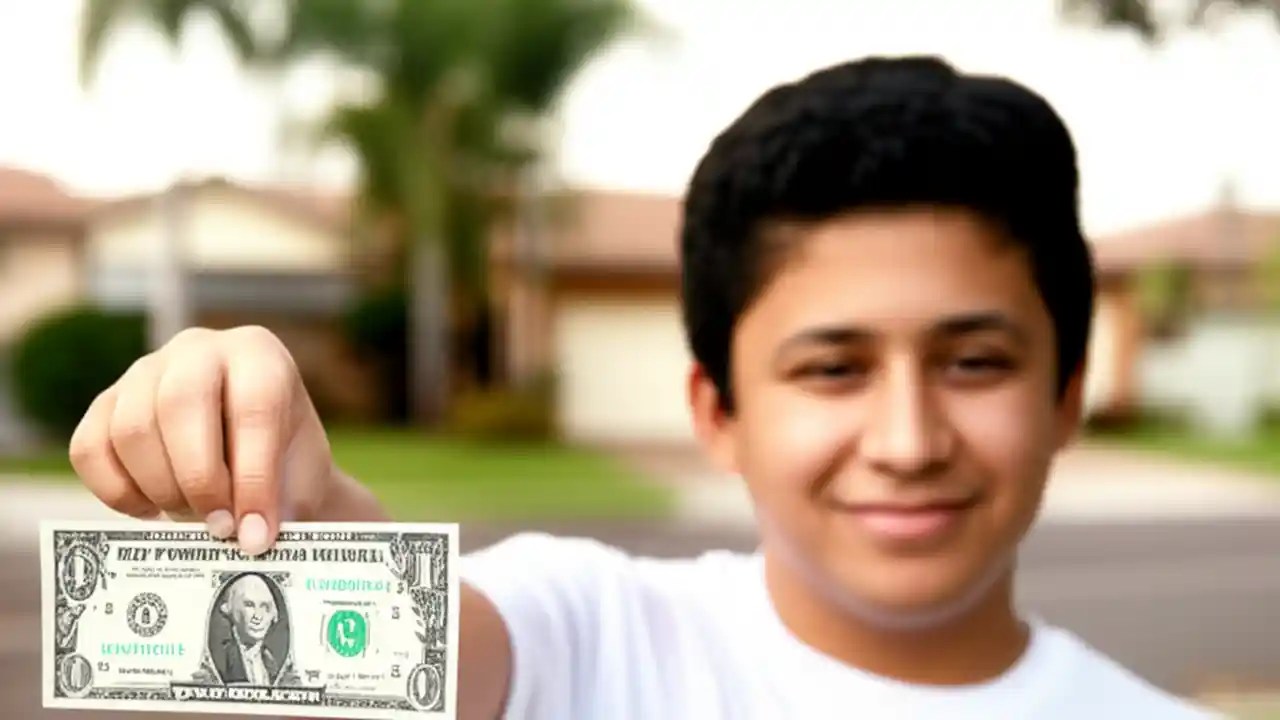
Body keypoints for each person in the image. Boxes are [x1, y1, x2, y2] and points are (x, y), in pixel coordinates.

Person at [68, 55, 1219, 719]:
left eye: (973, 363)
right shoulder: (588, 636)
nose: (907, 438)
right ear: (715, 409)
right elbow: (389, 642)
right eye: (832, 367)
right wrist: (275, 489)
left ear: (1066, 393)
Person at [211, 573, 283, 686]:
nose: (258, 616)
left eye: (265, 607)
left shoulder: (272, 662)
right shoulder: (219, 658)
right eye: (249, 605)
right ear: (229, 608)